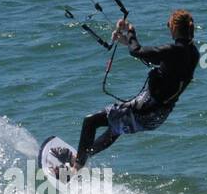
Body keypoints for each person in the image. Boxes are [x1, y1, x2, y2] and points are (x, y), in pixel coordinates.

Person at [68, 10, 199, 172]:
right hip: (159, 115)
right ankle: (82, 158)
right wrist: (127, 40)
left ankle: (76, 167)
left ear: (174, 28)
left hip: (145, 111)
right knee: (115, 128)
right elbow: (162, 63)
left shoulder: (173, 51)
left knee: (90, 121)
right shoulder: (193, 53)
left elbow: (137, 52)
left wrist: (130, 31)